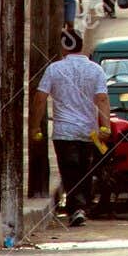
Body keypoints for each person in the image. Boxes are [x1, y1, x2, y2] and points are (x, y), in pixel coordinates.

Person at [32, 30, 110, 227]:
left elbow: (40, 98)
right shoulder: (96, 70)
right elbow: (102, 99)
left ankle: (77, 208)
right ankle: (80, 207)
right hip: (88, 131)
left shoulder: (54, 69)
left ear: (65, 46)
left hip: (64, 131)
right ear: (81, 45)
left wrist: (34, 126)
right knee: (84, 170)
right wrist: (106, 127)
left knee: (69, 170)